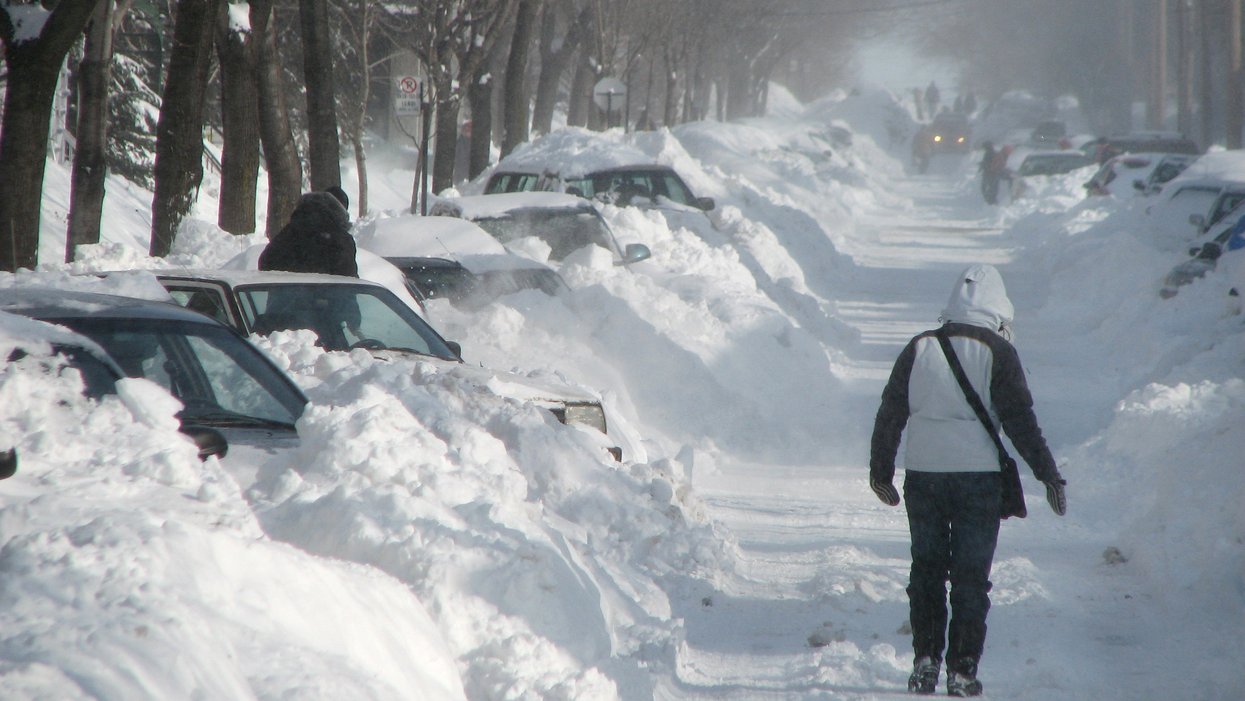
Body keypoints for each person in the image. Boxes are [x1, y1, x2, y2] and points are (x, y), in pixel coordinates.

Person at [868, 264, 1067, 697]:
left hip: (925, 477)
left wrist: (880, 471)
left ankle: (924, 663)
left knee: (926, 570)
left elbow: (891, 413)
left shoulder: (919, 347)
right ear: (999, 306)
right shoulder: (999, 351)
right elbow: (1020, 422)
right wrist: (1048, 474)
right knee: (971, 578)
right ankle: (962, 671)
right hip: (979, 481)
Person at [258, 190, 358, 278]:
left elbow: (265, 262)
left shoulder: (289, 232)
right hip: (326, 297)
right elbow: (349, 281)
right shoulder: (339, 239)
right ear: (341, 212)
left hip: (285, 297)